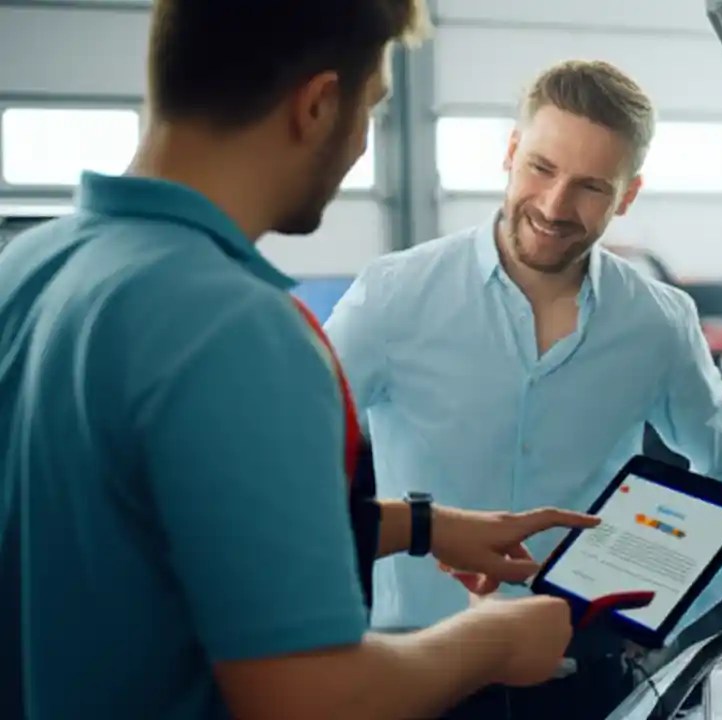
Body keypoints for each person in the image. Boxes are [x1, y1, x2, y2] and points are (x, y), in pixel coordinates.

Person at [0, 3, 601, 719]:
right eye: (369, 109)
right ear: (317, 105)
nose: (358, 146)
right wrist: (491, 642)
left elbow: (153, 528)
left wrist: (424, 526)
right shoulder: (237, 328)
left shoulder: (33, 265)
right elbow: (310, 699)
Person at [324, 59, 722, 718]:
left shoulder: (656, 320)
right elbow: (286, 463)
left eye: (591, 186)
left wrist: (655, 617)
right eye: (541, 168)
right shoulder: (392, 296)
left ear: (628, 195)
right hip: (422, 675)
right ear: (510, 154)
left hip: (584, 682)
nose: (556, 206)